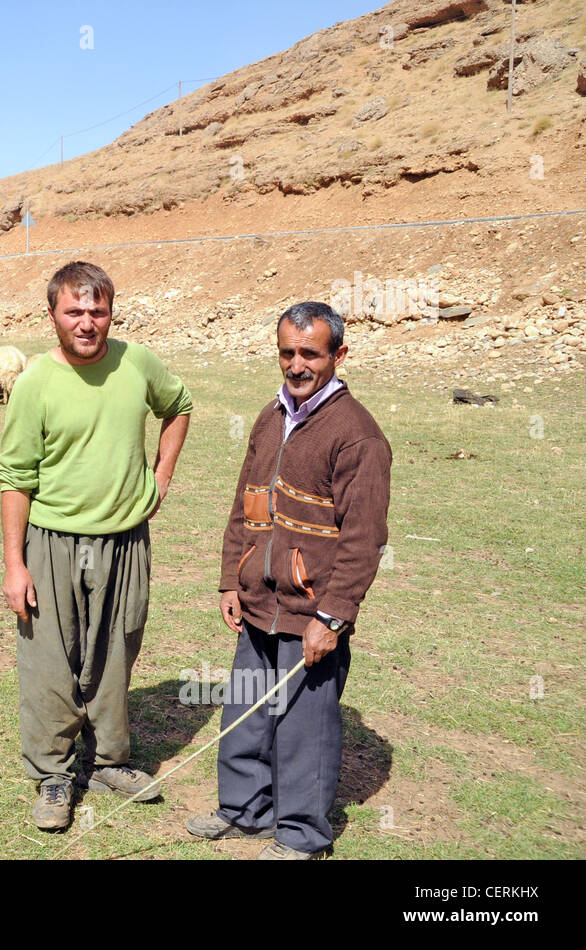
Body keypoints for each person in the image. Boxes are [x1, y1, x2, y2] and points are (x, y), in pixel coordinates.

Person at [188, 301, 391, 859]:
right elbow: (245, 505)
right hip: (258, 600)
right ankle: (245, 811)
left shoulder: (357, 435)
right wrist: (232, 578)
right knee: (247, 711)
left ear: (338, 355)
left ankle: (302, 834)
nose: (296, 365)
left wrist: (333, 615)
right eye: (287, 352)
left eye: (310, 353)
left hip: (312, 612)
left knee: (306, 728)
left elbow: (364, 537)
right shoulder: (270, 415)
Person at [0, 261, 193, 832]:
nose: (87, 322)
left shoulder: (138, 363)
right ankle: (54, 773)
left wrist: (163, 475)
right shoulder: (35, 381)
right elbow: (14, 477)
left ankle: (109, 760)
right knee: (50, 659)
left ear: (111, 311)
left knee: (115, 651)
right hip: (53, 541)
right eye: (74, 311)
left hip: (124, 540)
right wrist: (15, 563)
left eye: (97, 310)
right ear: (53, 315)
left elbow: (179, 406)